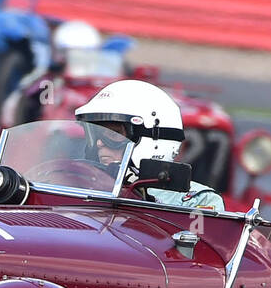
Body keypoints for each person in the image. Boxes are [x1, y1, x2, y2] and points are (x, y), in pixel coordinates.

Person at [75, 80, 225, 212]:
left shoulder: (197, 201)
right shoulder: (75, 184)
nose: (99, 143)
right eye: (95, 134)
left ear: (154, 141)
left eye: (114, 134)